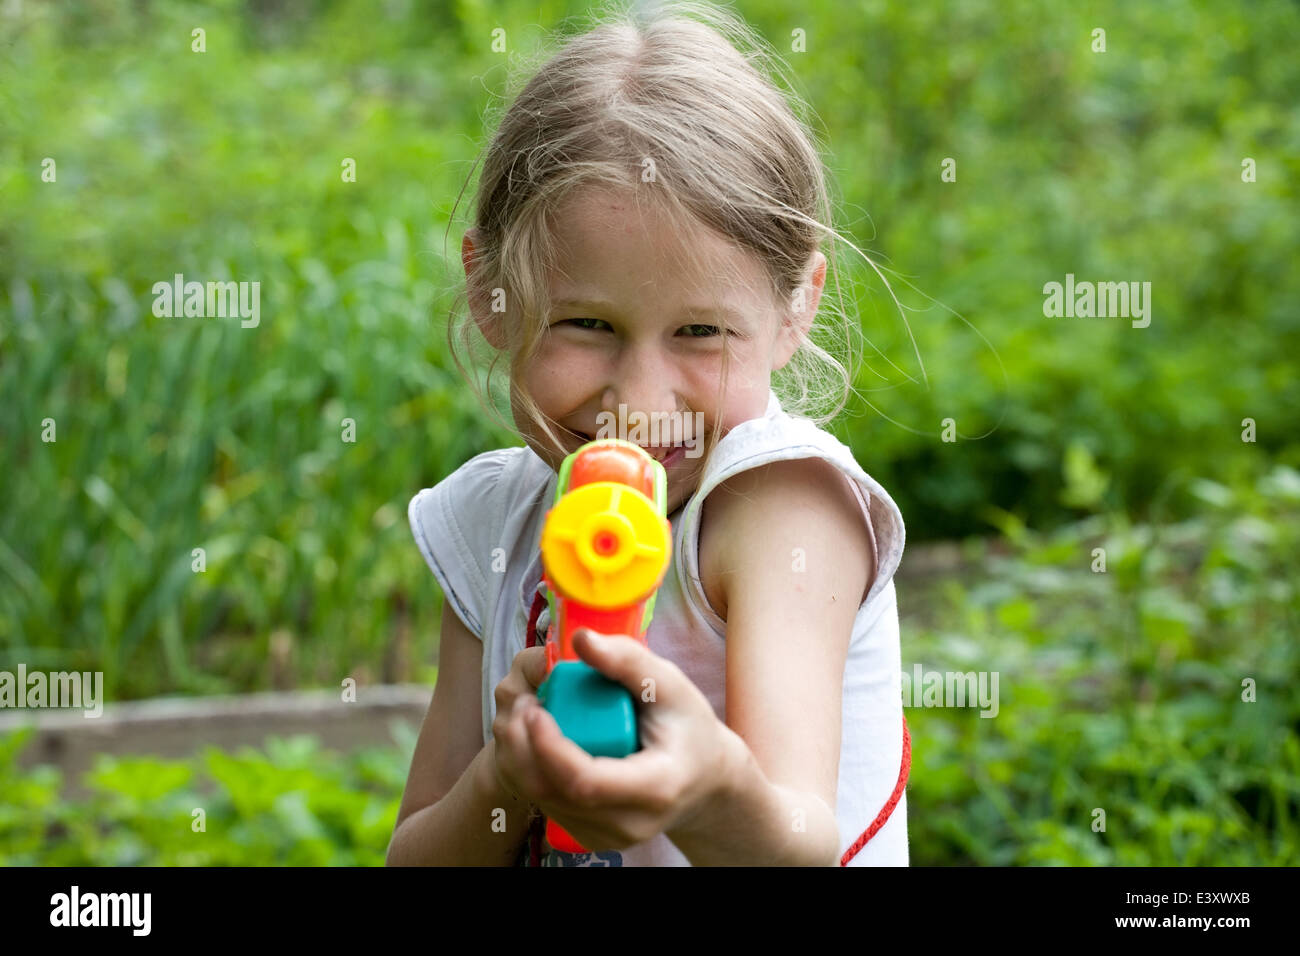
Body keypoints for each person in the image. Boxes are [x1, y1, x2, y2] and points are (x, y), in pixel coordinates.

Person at [387, 0, 909, 866]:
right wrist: (507, 781)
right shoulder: (488, 521)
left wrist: (707, 793)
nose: (638, 400)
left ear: (795, 309)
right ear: (491, 294)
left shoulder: (778, 504)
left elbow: (800, 843)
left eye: (701, 333)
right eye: (587, 324)